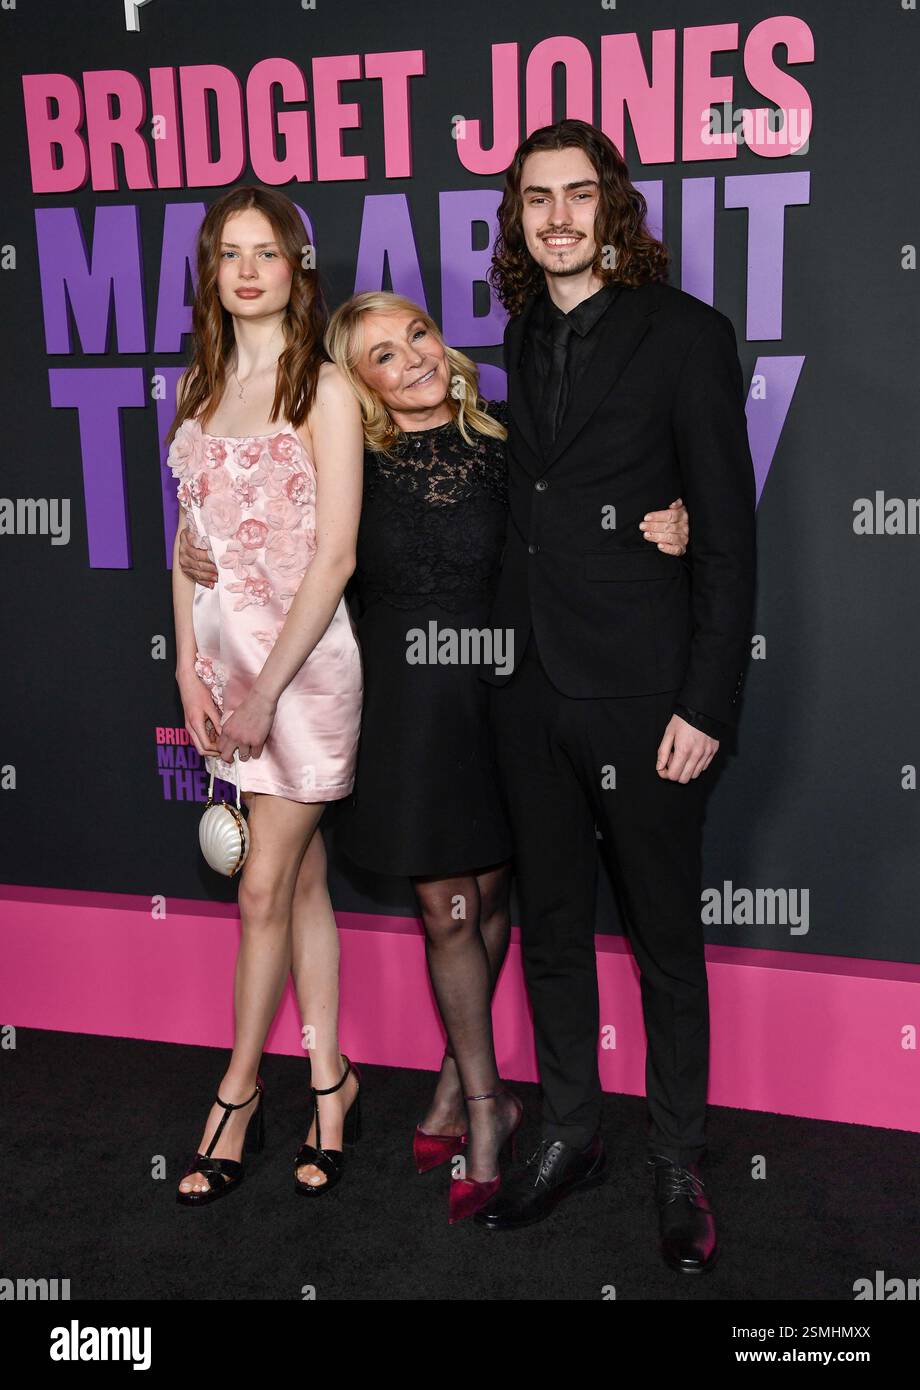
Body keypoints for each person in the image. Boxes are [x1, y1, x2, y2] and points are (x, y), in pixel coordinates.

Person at [179, 288, 692, 1222]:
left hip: (507, 694)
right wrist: (196, 548)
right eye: (380, 354)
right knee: (446, 906)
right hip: (411, 707)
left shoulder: (513, 448)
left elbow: (602, 509)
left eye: (416, 334)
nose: (410, 358)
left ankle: (457, 1082)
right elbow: (267, 520)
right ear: (358, 382)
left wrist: (676, 521)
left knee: (493, 897)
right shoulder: (348, 454)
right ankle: (490, 1109)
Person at [475, 120, 757, 1275]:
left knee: (660, 937)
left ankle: (676, 1159)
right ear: (517, 217)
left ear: (612, 207)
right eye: (534, 198)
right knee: (548, 929)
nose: (555, 216)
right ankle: (570, 1132)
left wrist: (706, 700)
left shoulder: (684, 336)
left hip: (646, 696)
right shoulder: (516, 330)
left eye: (575, 195)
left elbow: (728, 538)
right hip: (530, 689)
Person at [167, 184, 365, 1205]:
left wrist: (259, 695)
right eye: (228, 253)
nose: (246, 270)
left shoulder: (322, 387)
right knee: (302, 885)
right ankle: (330, 1082)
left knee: (258, 890)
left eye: (266, 252)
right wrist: (187, 671)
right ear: (211, 270)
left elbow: (332, 559)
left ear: (297, 267)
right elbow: (187, 545)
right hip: (224, 672)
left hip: (301, 672)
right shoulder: (198, 390)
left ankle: (238, 1094)